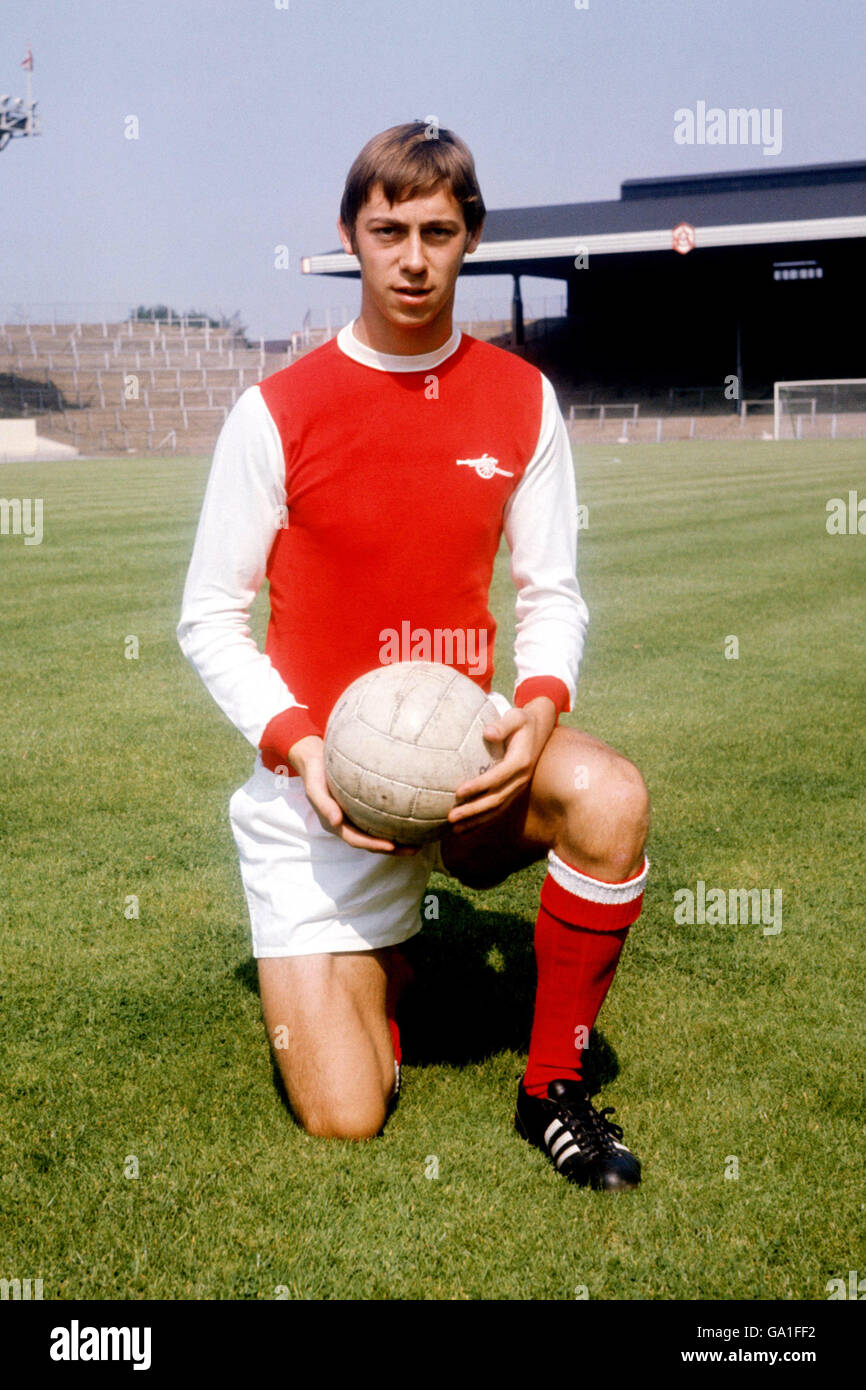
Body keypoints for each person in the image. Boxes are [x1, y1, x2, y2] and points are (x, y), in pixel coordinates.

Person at [177, 122, 650, 1191]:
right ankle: (376, 963)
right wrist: (299, 746)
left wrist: (536, 707)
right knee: (345, 1116)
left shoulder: (520, 398)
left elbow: (551, 592)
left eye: (437, 232)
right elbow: (207, 614)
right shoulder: (275, 411)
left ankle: (553, 1090)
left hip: (463, 762)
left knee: (610, 797)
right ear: (350, 234)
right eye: (387, 231)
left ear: (470, 237)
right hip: (320, 791)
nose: (412, 258)